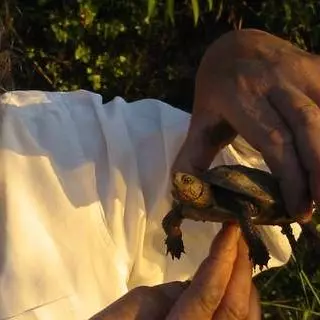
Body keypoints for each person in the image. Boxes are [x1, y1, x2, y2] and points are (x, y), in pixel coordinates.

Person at [0, 28, 318, 320]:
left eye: (187, 182)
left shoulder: (52, 149)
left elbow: (259, 161)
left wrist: (247, 61)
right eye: (185, 181)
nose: (182, 182)